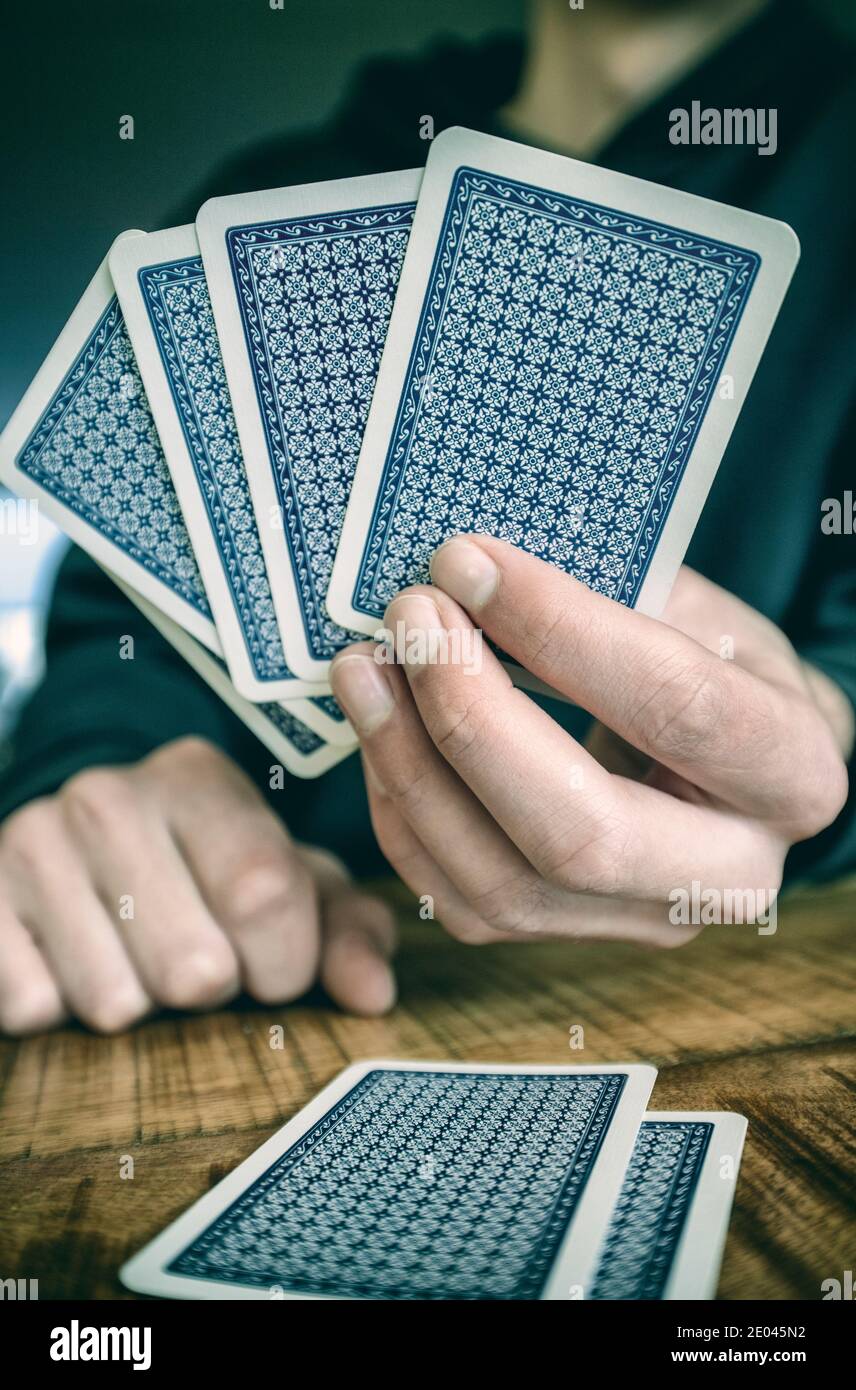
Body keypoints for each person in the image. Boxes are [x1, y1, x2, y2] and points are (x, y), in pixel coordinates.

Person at [0, 0, 853, 1035]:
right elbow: (125, 621)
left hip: (741, 1002)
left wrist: (822, 734)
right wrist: (110, 769)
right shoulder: (275, 200)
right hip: (281, 990)